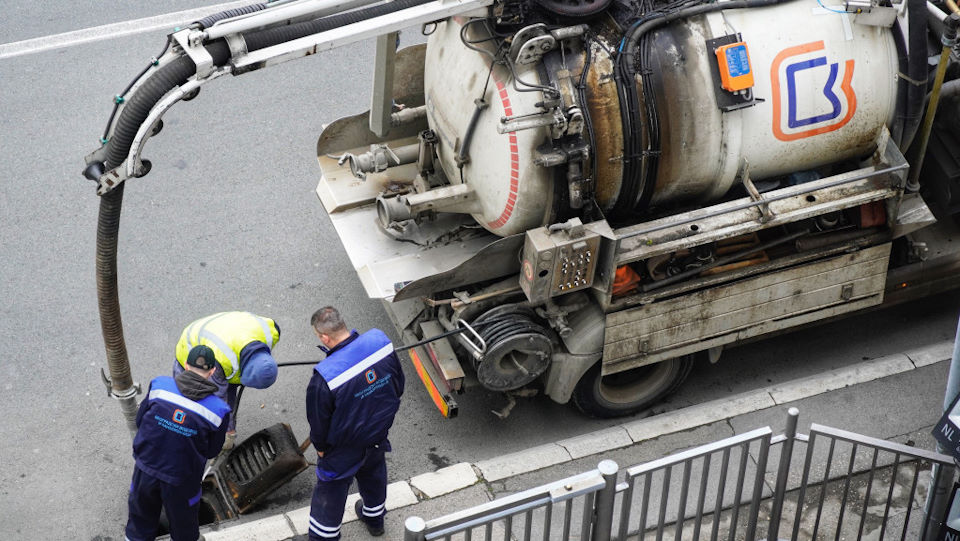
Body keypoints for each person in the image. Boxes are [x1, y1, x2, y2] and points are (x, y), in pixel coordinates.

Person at [305, 306, 405, 540]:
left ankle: (323, 537)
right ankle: (375, 521)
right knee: (374, 477)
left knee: (330, 493)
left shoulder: (324, 376)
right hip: (377, 435)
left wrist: (320, 447)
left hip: (343, 448)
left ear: (324, 337)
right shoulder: (380, 343)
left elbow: (318, 421)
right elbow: (398, 385)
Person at [126, 345, 230, 541]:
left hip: (146, 469)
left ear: (185, 366)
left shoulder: (159, 386)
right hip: (182, 480)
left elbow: (140, 420)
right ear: (212, 371)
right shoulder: (219, 411)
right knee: (184, 527)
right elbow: (212, 450)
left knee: (140, 521)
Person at [173, 311, 280, 448]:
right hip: (192, 346)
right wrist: (228, 431)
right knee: (192, 401)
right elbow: (216, 403)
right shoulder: (220, 360)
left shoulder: (271, 332)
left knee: (225, 389)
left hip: (224, 334)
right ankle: (184, 433)